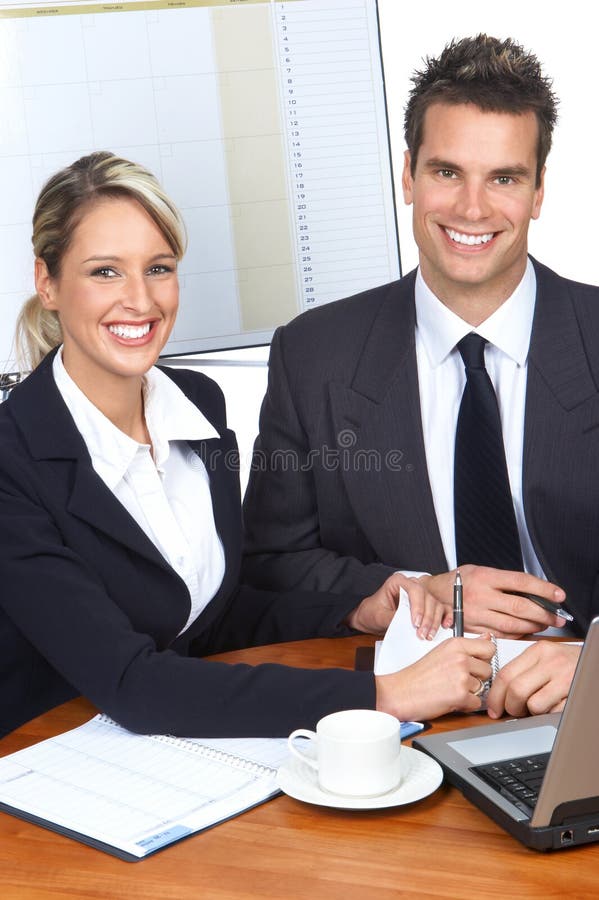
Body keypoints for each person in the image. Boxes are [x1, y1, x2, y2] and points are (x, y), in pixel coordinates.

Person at [0, 151, 497, 739]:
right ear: (47, 282)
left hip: (173, 748)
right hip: (46, 766)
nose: (140, 300)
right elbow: (132, 683)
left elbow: (209, 617)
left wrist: (356, 609)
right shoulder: (13, 461)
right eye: (105, 272)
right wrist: (384, 694)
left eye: (158, 268)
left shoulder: (197, 406)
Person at [242, 35, 594, 718]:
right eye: (446, 172)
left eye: (503, 178)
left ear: (538, 191)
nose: (470, 208)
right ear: (407, 175)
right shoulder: (314, 354)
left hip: (584, 713)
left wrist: (596, 665)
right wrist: (398, 590)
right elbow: (268, 563)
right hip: (404, 716)